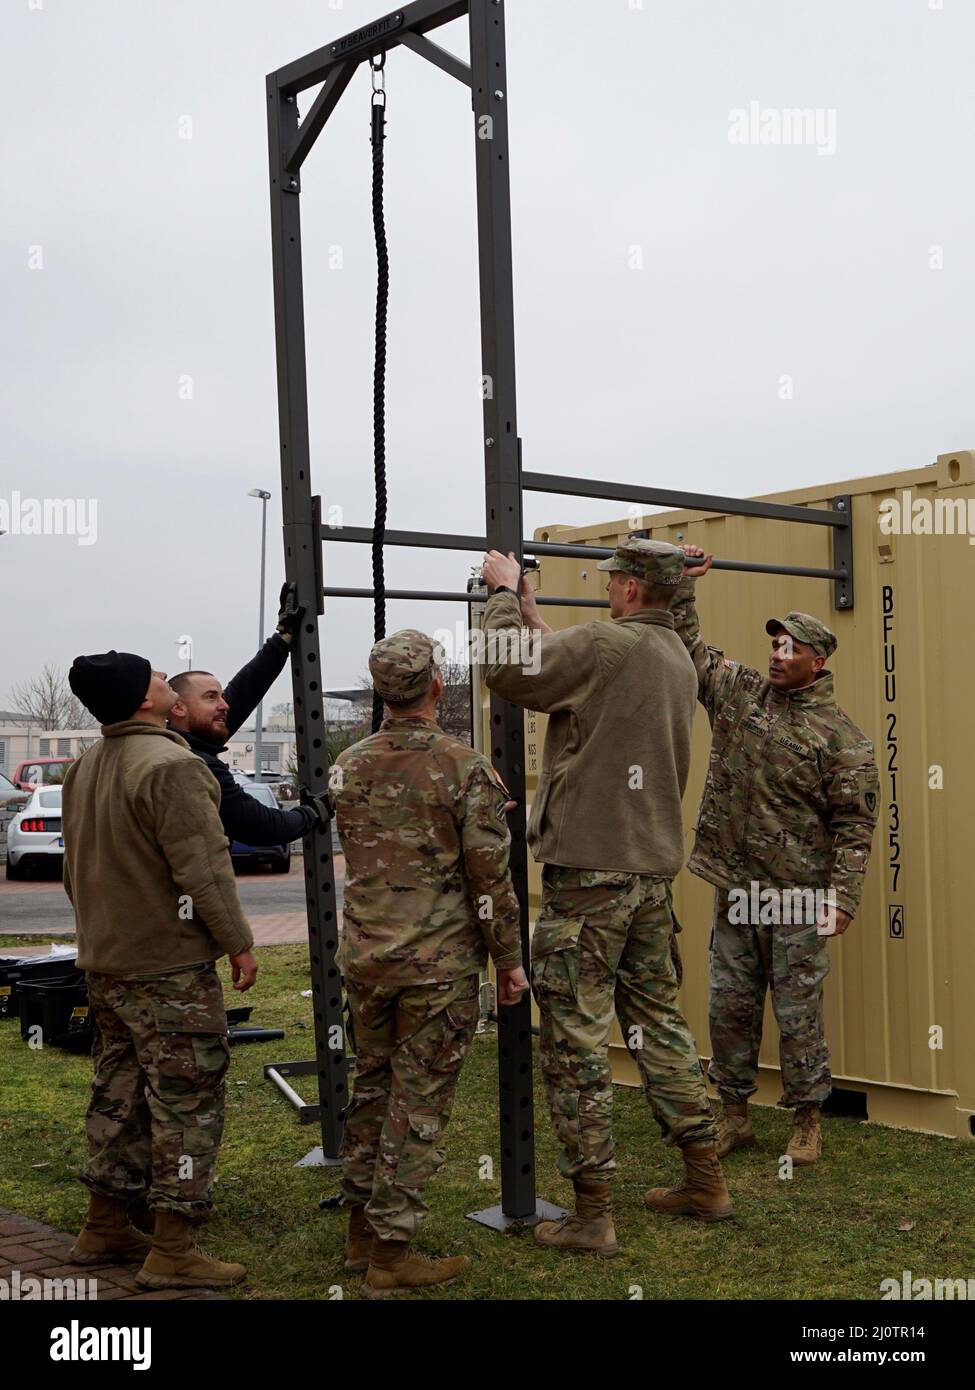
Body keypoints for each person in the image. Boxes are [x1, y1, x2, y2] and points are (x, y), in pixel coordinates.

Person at [481, 540, 733, 1257]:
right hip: (648, 875)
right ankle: (704, 1178)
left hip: (589, 880)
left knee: (575, 1044)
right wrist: (532, 615)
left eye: (612, 579)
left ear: (625, 588)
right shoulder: (673, 654)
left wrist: (500, 592)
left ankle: (591, 1214)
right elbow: (569, 670)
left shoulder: (609, 646)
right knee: (659, 1027)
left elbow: (507, 670)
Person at [333, 630, 528, 1298]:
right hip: (434, 965)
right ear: (436, 685)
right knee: (417, 1103)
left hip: (364, 958)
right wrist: (508, 958)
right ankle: (391, 1256)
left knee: (371, 1086)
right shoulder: (462, 766)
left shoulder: (350, 762)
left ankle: (360, 1231)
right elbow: (488, 878)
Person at [672, 545, 880, 1165]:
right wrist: (684, 589)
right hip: (737, 890)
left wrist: (842, 900)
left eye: (791, 648)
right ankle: (733, 1113)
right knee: (730, 1006)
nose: (778, 654)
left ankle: (807, 1120)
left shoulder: (842, 738)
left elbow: (855, 826)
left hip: (797, 897)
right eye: (775, 645)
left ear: (817, 662)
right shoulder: (742, 696)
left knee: (797, 1013)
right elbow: (692, 654)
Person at [62, 650, 257, 1290]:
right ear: (147, 699)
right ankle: (174, 1246)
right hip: (167, 969)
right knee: (186, 1103)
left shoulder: (86, 765)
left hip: (107, 962)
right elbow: (204, 869)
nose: (163, 679)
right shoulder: (172, 765)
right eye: (154, 674)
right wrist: (239, 944)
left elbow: (74, 873)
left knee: (117, 1092)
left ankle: (103, 1224)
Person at [167, 582, 331, 849]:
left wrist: (282, 638)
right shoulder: (195, 765)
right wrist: (313, 812)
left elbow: (243, 692)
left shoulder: (173, 743)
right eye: (211, 697)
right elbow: (263, 827)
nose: (224, 705)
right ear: (178, 708)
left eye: (221, 696)